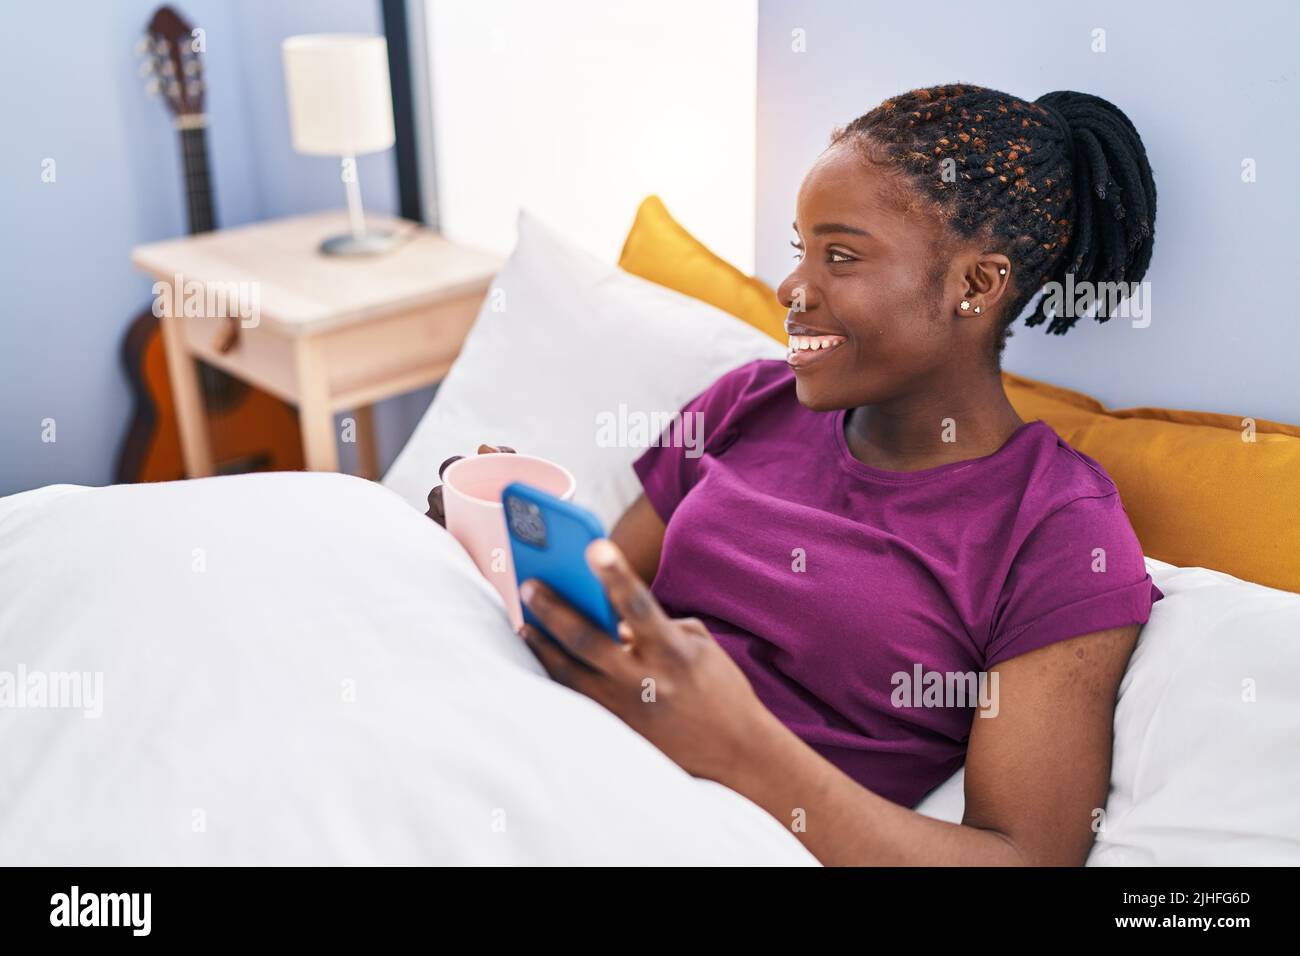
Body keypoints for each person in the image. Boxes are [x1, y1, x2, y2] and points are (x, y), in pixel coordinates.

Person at [428, 84, 1162, 866]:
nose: (791, 288)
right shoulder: (750, 400)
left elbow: (1021, 856)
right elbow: (611, 608)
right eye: (799, 250)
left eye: (840, 256)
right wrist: (506, 547)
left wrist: (739, 747)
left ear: (975, 286)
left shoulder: (1057, 527)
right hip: (555, 760)